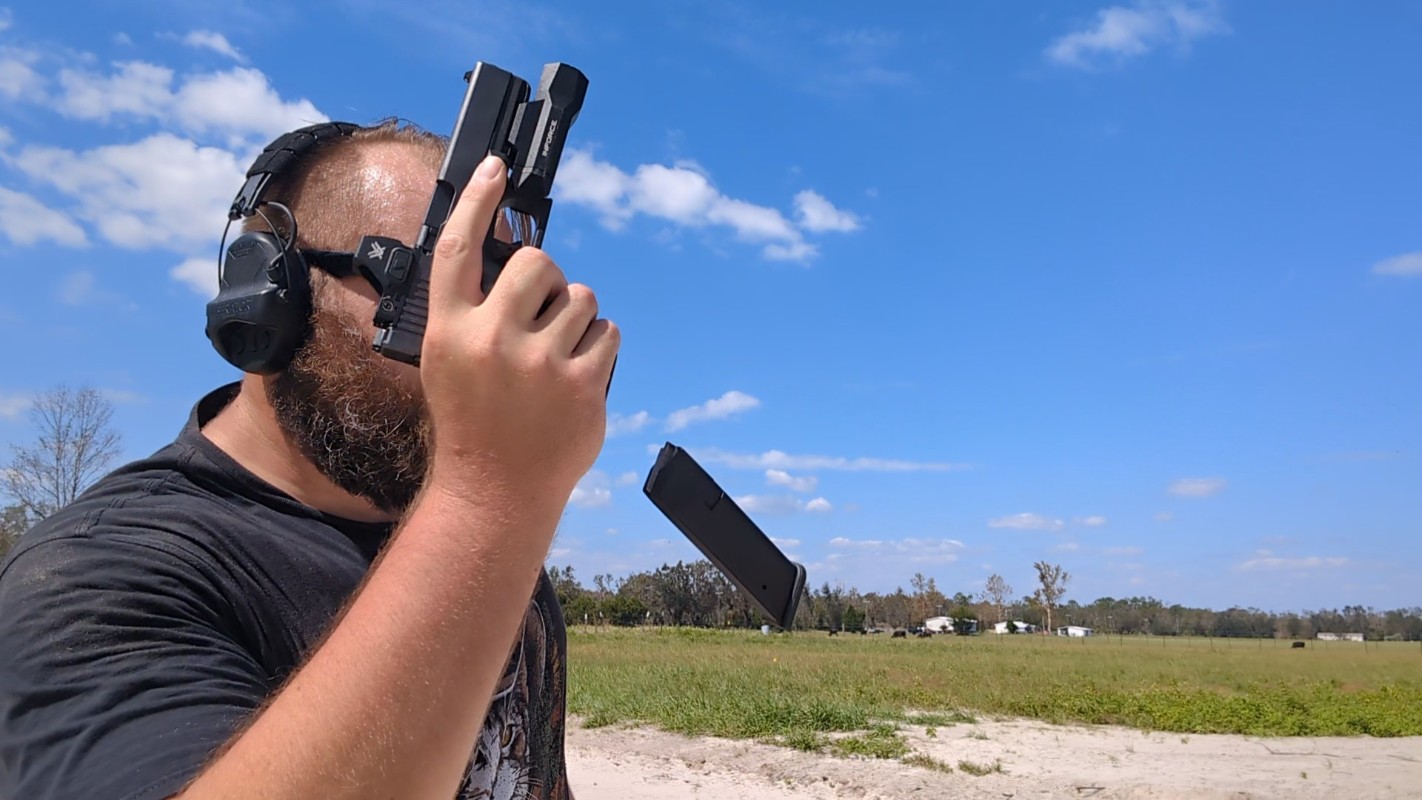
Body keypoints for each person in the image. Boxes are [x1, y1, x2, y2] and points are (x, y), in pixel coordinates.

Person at [0, 117, 619, 800]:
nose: (479, 342)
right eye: (431, 293)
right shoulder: (99, 576)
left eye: (499, 298)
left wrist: (485, 503)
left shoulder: (467, 528)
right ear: (272, 295)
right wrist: (489, 492)